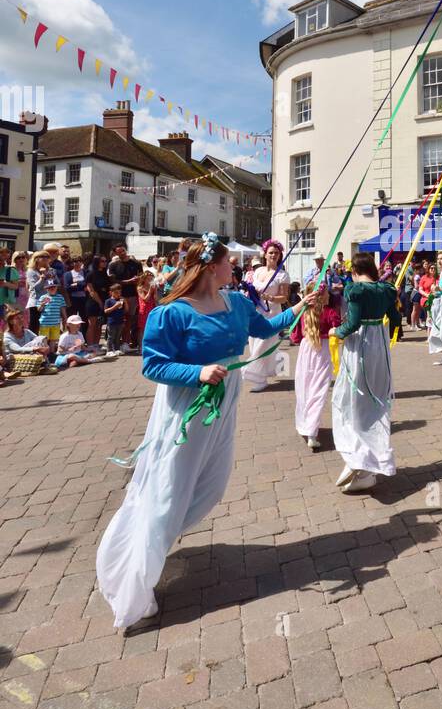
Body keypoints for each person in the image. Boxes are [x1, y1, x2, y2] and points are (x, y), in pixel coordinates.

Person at [96, 235, 315, 630]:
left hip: (225, 402)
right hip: (188, 407)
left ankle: (153, 543)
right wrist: (196, 372)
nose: (234, 267)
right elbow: (153, 365)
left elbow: (265, 326)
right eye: (229, 261)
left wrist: (301, 305)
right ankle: (134, 580)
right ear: (211, 267)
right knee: (168, 491)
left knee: (211, 484)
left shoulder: (237, 303)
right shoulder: (172, 312)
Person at [329, 253, 402, 493]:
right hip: (379, 348)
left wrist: (335, 332)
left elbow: (353, 324)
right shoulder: (386, 289)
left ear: (354, 271)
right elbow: (395, 319)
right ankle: (364, 460)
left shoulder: (356, 290)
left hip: (359, 347)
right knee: (374, 403)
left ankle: (360, 460)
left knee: (351, 401)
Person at [295, 290, 342, 450]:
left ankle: (305, 425)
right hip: (321, 352)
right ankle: (311, 432)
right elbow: (339, 330)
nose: (330, 295)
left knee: (305, 390)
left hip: (306, 351)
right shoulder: (330, 312)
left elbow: (295, 336)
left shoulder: (304, 312)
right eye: (327, 293)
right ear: (322, 296)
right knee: (318, 391)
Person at [244, 240, 291, 392]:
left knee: (263, 345)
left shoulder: (283, 275)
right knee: (254, 343)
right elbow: (251, 288)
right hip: (255, 312)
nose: (273, 255)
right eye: (271, 252)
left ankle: (258, 378)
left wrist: (269, 298)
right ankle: (273, 369)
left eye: (276, 253)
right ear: (265, 254)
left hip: (272, 314)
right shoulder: (258, 272)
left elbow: (284, 298)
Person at [107, 244, 142, 351]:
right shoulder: (113, 265)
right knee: (119, 320)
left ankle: (126, 343)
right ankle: (116, 343)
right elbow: (113, 281)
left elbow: (141, 275)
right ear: (116, 253)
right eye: (119, 251)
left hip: (132, 295)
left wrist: (138, 279)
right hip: (119, 296)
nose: (122, 253)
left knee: (130, 320)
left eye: (123, 250)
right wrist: (128, 281)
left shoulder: (136, 263)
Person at [3, 307, 51, 375]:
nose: (21, 320)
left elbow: (39, 339)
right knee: (36, 345)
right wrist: (36, 348)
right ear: (11, 322)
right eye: (17, 318)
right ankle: (43, 365)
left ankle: (44, 364)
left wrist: (46, 347)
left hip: (28, 354)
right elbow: (17, 349)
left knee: (40, 338)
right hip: (15, 357)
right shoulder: (7, 336)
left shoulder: (27, 331)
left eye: (21, 317)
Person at [84, 255, 110, 347]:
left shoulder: (104, 274)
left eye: (105, 261)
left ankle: (96, 345)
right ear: (97, 262)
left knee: (99, 324)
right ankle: (90, 345)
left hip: (103, 300)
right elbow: (91, 291)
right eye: (102, 261)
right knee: (92, 324)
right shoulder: (90, 274)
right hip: (93, 301)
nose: (104, 262)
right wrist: (100, 303)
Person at [37, 276, 66, 355]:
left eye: (54, 287)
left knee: (53, 339)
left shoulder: (60, 297)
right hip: (45, 323)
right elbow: (39, 309)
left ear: (57, 287)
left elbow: (62, 308)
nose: (52, 288)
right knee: (44, 339)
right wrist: (42, 304)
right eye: (50, 287)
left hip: (56, 322)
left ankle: (52, 353)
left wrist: (65, 318)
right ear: (46, 289)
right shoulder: (43, 297)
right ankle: (45, 354)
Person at [64, 256, 88, 323]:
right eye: (75, 261)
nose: (77, 263)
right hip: (72, 299)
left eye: (79, 261)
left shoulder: (86, 272)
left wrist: (76, 284)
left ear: (81, 263)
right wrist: (82, 286)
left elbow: (87, 284)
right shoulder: (67, 274)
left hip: (84, 299)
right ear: (72, 263)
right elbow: (67, 288)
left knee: (84, 318)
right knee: (72, 318)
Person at [104, 284, 126, 356]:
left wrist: (125, 302)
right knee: (111, 336)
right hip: (111, 322)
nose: (118, 294)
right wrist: (115, 306)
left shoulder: (121, 300)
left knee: (118, 336)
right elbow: (106, 311)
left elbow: (126, 310)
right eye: (116, 292)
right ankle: (109, 350)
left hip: (120, 321)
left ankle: (117, 349)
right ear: (111, 292)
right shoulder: (108, 301)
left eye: (119, 292)